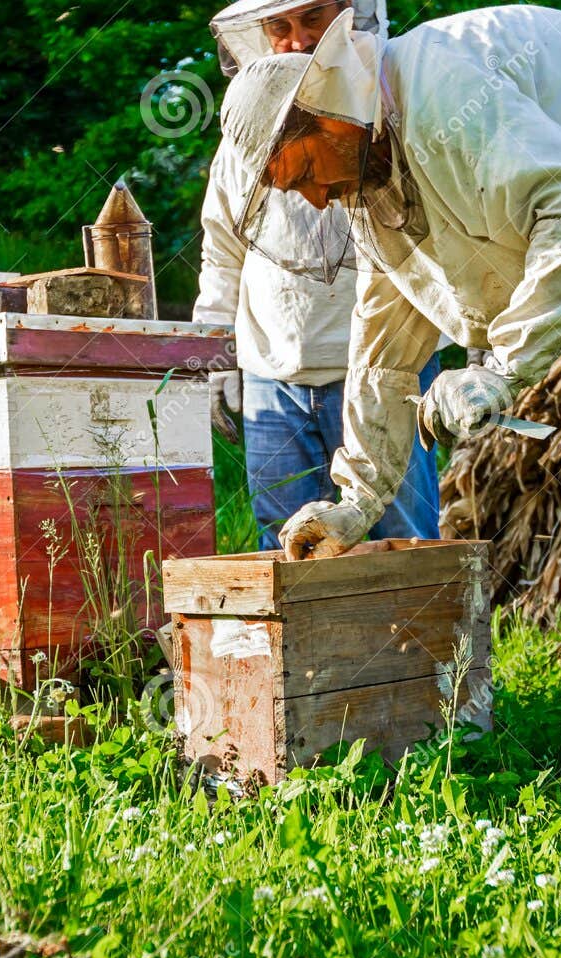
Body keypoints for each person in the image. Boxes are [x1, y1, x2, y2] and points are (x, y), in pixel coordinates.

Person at [220, 5, 561, 779]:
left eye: (308, 172)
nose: (314, 199)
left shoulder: (443, 99)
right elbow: (382, 358)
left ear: (327, 115)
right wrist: (354, 501)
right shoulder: (376, 182)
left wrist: (499, 369)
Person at [193, 0, 441, 550]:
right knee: (286, 551)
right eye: (280, 27)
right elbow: (223, 248)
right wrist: (214, 353)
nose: (298, 40)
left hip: (388, 369)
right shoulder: (247, 126)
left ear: (351, 13)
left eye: (314, 20)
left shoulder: (391, 104)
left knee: (404, 547)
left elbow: (444, 237)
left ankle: (423, 643)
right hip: (271, 378)